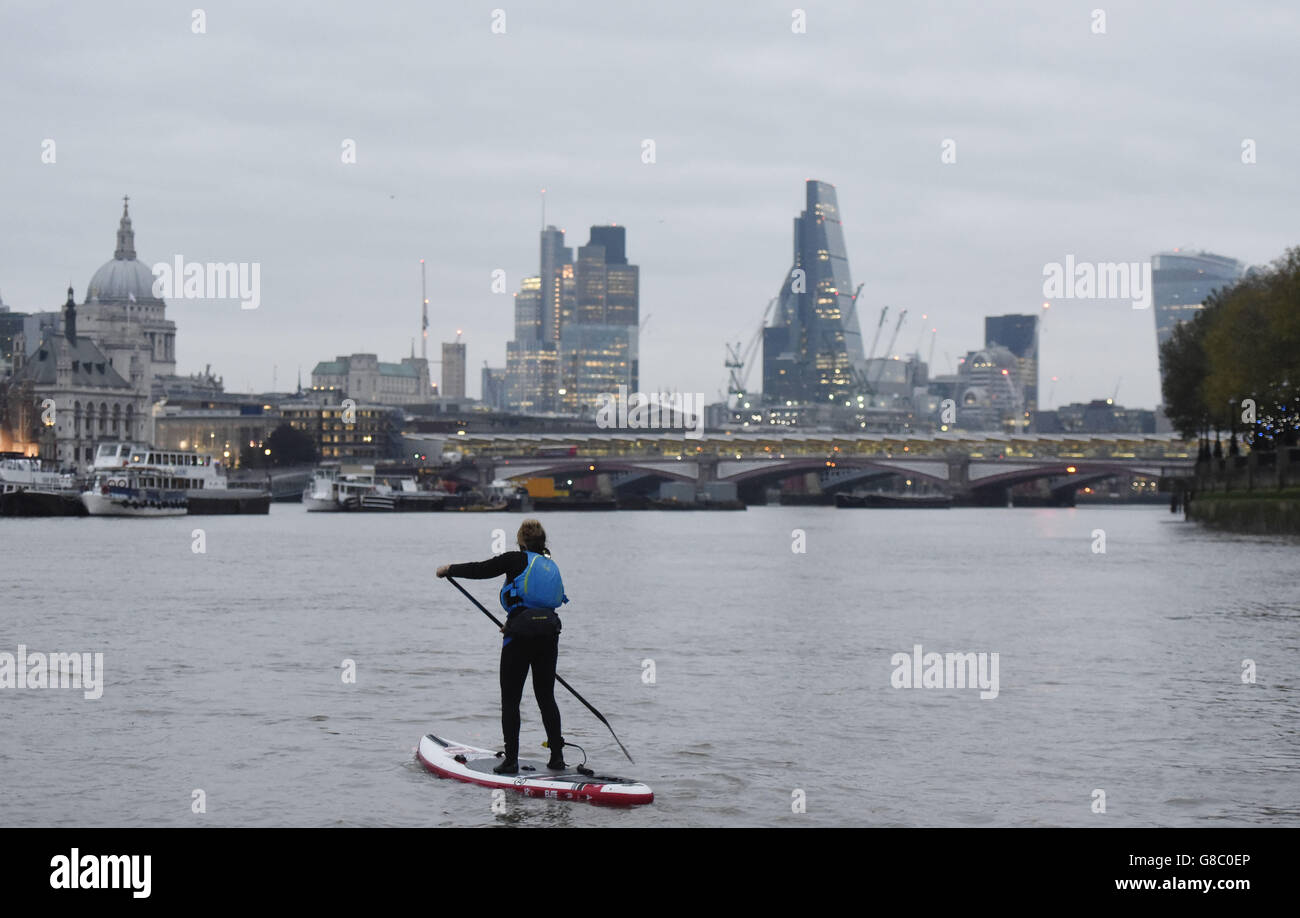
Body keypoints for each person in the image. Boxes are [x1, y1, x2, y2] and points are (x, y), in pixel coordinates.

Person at [437, 519, 568, 774]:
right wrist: (516, 623)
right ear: (542, 542)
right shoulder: (549, 565)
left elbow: (481, 569)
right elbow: (539, 605)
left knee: (510, 700)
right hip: (549, 634)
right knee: (546, 697)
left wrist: (448, 569)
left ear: (521, 541)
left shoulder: (514, 559)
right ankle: (557, 757)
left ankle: (511, 761)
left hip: (519, 638)